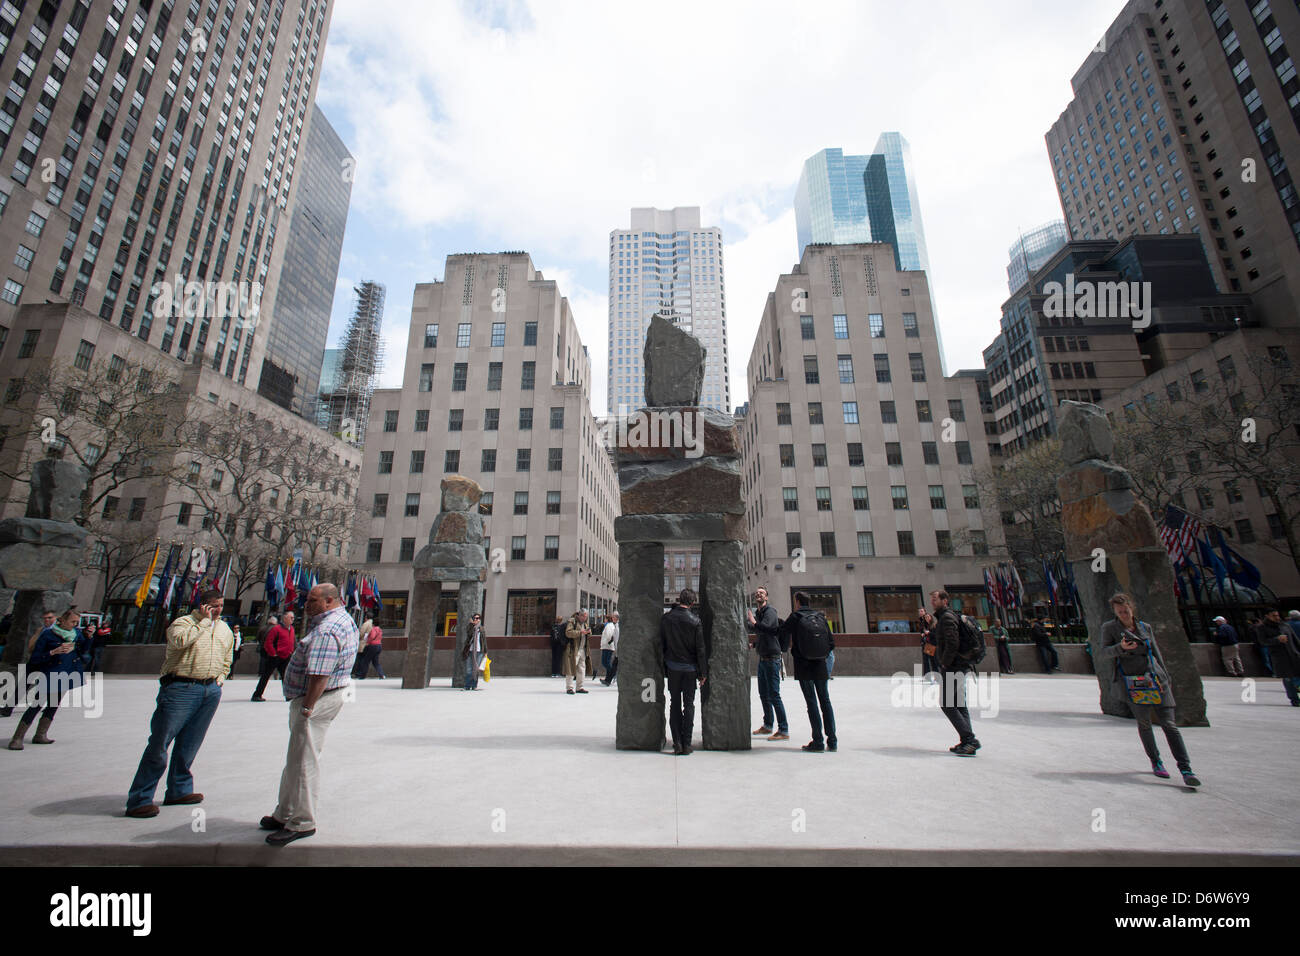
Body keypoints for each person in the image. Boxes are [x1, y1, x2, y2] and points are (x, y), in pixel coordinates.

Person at [260, 583, 359, 846]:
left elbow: (319, 675)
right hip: (325, 696)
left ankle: (302, 821)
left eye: (313, 600)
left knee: (304, 761)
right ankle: (284, 812)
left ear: (329, 601)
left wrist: (307, 707)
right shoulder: (343, 620)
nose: (307, 604)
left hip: (317, 700)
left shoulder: (328, 629)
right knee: (297, 757)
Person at [125, 589, 234, 817]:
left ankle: (179, 789)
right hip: (180, 688)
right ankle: (140, 798)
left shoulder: (224, 629)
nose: (218, 610)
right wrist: (203, 623)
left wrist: (220, 680)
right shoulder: (183, 623)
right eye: (214, 605)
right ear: (203, 605)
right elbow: (179, 642)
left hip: (209, 690)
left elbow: (227, 658)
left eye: (221, 605)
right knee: (160, 743)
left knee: (190, 744)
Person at [1097, 592, 1201, 786]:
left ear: (1131, 608)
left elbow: (1156, 653)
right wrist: (1121, 648)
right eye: (1119, 612)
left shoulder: (1145, 627)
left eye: (1125, 610)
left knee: (1169, 725)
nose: (1123, 614)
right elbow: (1103, 652)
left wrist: (1166, 676)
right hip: (1133, 682)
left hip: (1156, 679)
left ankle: (1185, 767)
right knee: (1144, 724)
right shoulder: (1110, 628)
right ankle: (1156, 761)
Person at [7, 609, 84, 750]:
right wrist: (53, 652)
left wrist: (89, 637)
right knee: (37, 705)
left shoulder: (77, 634)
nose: (75, 624)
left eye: (77, 622)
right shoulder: (48, 634)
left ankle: (40, 734)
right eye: (72, 621)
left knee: (53, 705)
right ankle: (17, 738)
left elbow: (83, 649)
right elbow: (36, 657)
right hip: (50, 673)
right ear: (63, 620)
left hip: (66, 673)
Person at [782, 591, 836, 753]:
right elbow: (831, 643)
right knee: (825, 701)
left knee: (811, 702)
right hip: (820, 663)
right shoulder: (820, 617)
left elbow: (781, 631)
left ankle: (818, 741)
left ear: (797, 602)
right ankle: (832, 740)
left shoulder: (796, 617)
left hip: (804, 664)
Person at [930, 590, 980, 757]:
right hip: (958, 665)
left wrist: (945, 662)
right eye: (931, 599)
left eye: (935, 599)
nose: (932, 601)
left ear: (945, 601)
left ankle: (969, 739)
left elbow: (952, 642)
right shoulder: (946, 617)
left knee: (947, 703)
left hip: (954, 666)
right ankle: (967, 742)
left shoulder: (947, 618)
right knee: (959, 704)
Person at [661, 589, 707, 755]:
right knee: (689, 705)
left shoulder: (667, 618)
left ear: (679, 599)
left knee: (674, 703)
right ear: (692, 603)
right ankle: (687, 743)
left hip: (673, 668)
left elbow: (662, 643)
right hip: (690, 669)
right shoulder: (695, 621)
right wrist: (703, 673)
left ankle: (677, 743)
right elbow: (700, 649)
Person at [746, 586, 789, 741]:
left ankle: (783, 729)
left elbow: (769, 629)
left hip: (772, 659)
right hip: (763, 658)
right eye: (757, 593)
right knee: (764, 694)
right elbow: (763, 634)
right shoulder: (759, 613)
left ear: (767, 597)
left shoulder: (770, 612)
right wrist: (755, 645)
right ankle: (768, 725)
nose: (758, 594)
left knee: (774, 695)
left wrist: (753, 622)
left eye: (762, 593)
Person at [0, 610, 57, 718]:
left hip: (49, 662)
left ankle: (48, 707)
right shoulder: (41, 630)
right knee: (23, 685)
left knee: (49, 687)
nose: (47, 620)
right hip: (35, 661)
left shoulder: (58, 631)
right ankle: (8, 709)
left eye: (50, 618)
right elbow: (32, 645)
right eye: (45, 618)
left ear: (56, 618)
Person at [1255, 608, 1300, 707]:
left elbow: (1295, 639)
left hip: (1294, 654)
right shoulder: (1262, 627)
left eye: (1277, 615)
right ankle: (1295, 700)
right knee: (1288, 679)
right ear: (1267, 616)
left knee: (1297, 676)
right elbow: (1263, 641)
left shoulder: (1285, 625)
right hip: (1280, 657)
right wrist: (1277, 639)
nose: (1277, 617)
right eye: (1274, 616)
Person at [252, 612, 295, 702]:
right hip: (275, 657)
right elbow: (268, 642)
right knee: (266, 675)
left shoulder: (292, 629)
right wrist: (273, 653)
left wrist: (291, 651)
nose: (293, 619)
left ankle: (288, 695)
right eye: (290, 617)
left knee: (285, 677)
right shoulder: (276, 629)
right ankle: (257, 694)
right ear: (284, 618)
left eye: (293, 617)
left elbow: (292, 641)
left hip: (286, 656)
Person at [564, 609, 592, 695]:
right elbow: (568, 633)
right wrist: (580, 632)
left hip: (583, 649)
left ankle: (579, 687)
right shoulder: (572, 621)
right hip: (573, 649)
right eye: (583, 616)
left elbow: (588, 635)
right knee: (571, 668)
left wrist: (589, 632)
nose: (584, 618)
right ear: (579, 615)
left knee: (581, 669)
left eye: (586, 616)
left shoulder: (585, 623)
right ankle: (569, 688)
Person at [460, 612, 485, 690]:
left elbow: (484, 641)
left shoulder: (481, 628)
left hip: (479, 651)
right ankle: (467, 685)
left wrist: (486, 651)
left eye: (478, 618)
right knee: (469, 668)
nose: (476, 620)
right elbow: (469, 634)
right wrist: (472, 625)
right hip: (470, 650)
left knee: (476, 668)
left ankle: (474, 685)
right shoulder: (470, 627)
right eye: (475, 618)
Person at [599, 612, 620, 686]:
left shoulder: (612, 626)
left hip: (610, 647)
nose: (613, 618)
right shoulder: (616, 625)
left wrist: (608, 642)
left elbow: (611, 636)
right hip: (615, 648)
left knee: (606, 662)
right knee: (612, 664)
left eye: (614, 617)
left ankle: (609, 678)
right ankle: (608, 679)